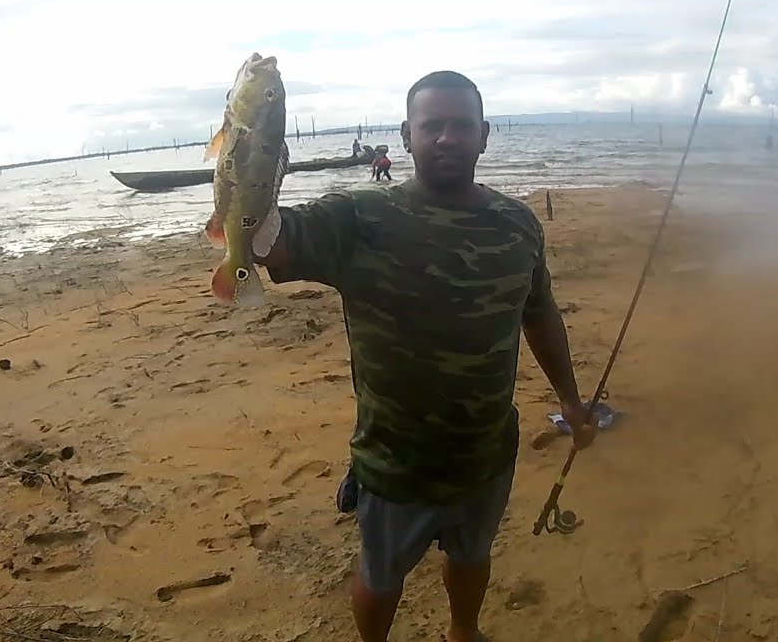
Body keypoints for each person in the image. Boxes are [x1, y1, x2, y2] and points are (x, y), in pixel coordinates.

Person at [253, 70, 596, 642]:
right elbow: (269, 242)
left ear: (484, 135)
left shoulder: (518, 224)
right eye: (432, 124)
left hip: (486, 453)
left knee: (472, 556)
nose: (446, 137)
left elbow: (539, 313)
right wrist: (253, 160)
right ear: (406, 135)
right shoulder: (356, 218)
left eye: (461, 125)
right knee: (382, 575)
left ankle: (463, 631)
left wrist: (570, 398)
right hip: (395, 463)